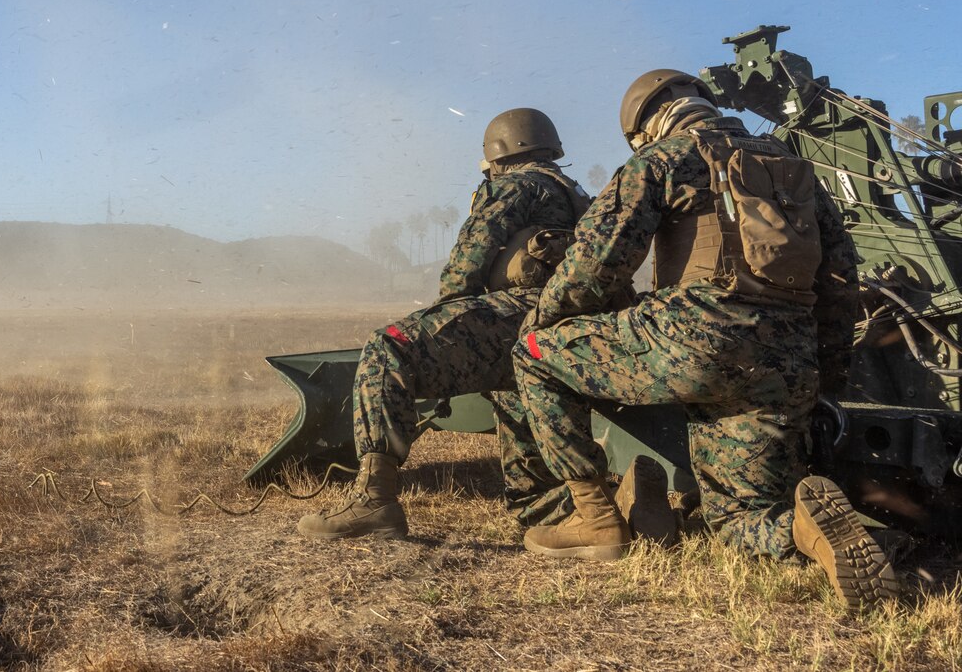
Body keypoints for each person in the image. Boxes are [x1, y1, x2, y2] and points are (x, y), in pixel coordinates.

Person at [512, 69, 899, 612]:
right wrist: (825, 373)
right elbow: (840, 281)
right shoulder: (793, 167)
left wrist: (542, 323)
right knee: (740, 516)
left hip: (696, 338)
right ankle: (808, 531)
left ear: (645, 125)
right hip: (785, 358)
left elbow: (593, 267)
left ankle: (595, 519)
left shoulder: (661, 159)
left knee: (532, 357)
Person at [299, 108, 614, 541]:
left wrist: (445, 329)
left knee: (390, 347)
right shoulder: (576, 195)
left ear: (500, 156)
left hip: (522, 312)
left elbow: (469, 260)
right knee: (521, 430)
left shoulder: (515, 185)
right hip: (561, 326)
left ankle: (375, 500)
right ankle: (566, 511)